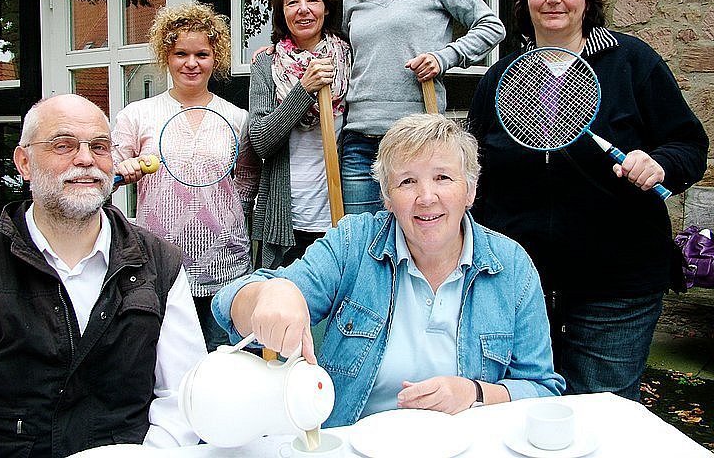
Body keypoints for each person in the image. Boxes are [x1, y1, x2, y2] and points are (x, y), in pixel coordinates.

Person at [467, 0, 709, 400]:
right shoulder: (500, 77)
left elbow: (689, 145)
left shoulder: (632, 61)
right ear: (525, 0)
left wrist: (660, 164)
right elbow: (473, 169)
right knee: (524, 406)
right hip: (519, 285)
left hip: (616, 282)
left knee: (602, 411)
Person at [213, 114, 564, 427]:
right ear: (386, 196)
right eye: (407, 182)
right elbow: (229, 302)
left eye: (443, 177)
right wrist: (272, 294)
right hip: (356, 443)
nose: (426, 197)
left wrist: (475, 392)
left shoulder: (511, 265)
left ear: (470, 190)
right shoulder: (354, 242)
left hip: (470, 446)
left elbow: (542, 388)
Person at [0, 94, 207, 458]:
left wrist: (151, 453)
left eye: (99, 146)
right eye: (63, 145)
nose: (85, 159)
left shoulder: (159, 263)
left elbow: (182, 394)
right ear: (24, 162)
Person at [340, 0, 505, 215]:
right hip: (359, 141)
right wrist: (278, 46)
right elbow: (345, 53)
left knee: (420, 232)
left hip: (417, 136)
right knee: (361, 236)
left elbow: (490, 26)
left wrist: (444, 58)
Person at [112, 2, 260, 353]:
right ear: (166, 55)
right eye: (181, 53)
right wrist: (122, 172)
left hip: (225, 266)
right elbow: (107, 175)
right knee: (165, 364)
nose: (191, 63)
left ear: (216, 57)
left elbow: (247, 178)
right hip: (158, 266)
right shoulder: (138, 115)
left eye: (201, 54)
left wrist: (223, 217)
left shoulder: (236, 118)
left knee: (223, 365)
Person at [248, 0, 352, 269]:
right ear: (282, 13)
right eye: (292, 2)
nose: (303, 9)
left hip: (341, 212)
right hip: (286, 220)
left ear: (326, 7)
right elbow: (260, 140)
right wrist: (303, 89)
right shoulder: (267, 64)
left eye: (312, 0)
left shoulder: (349, 57)